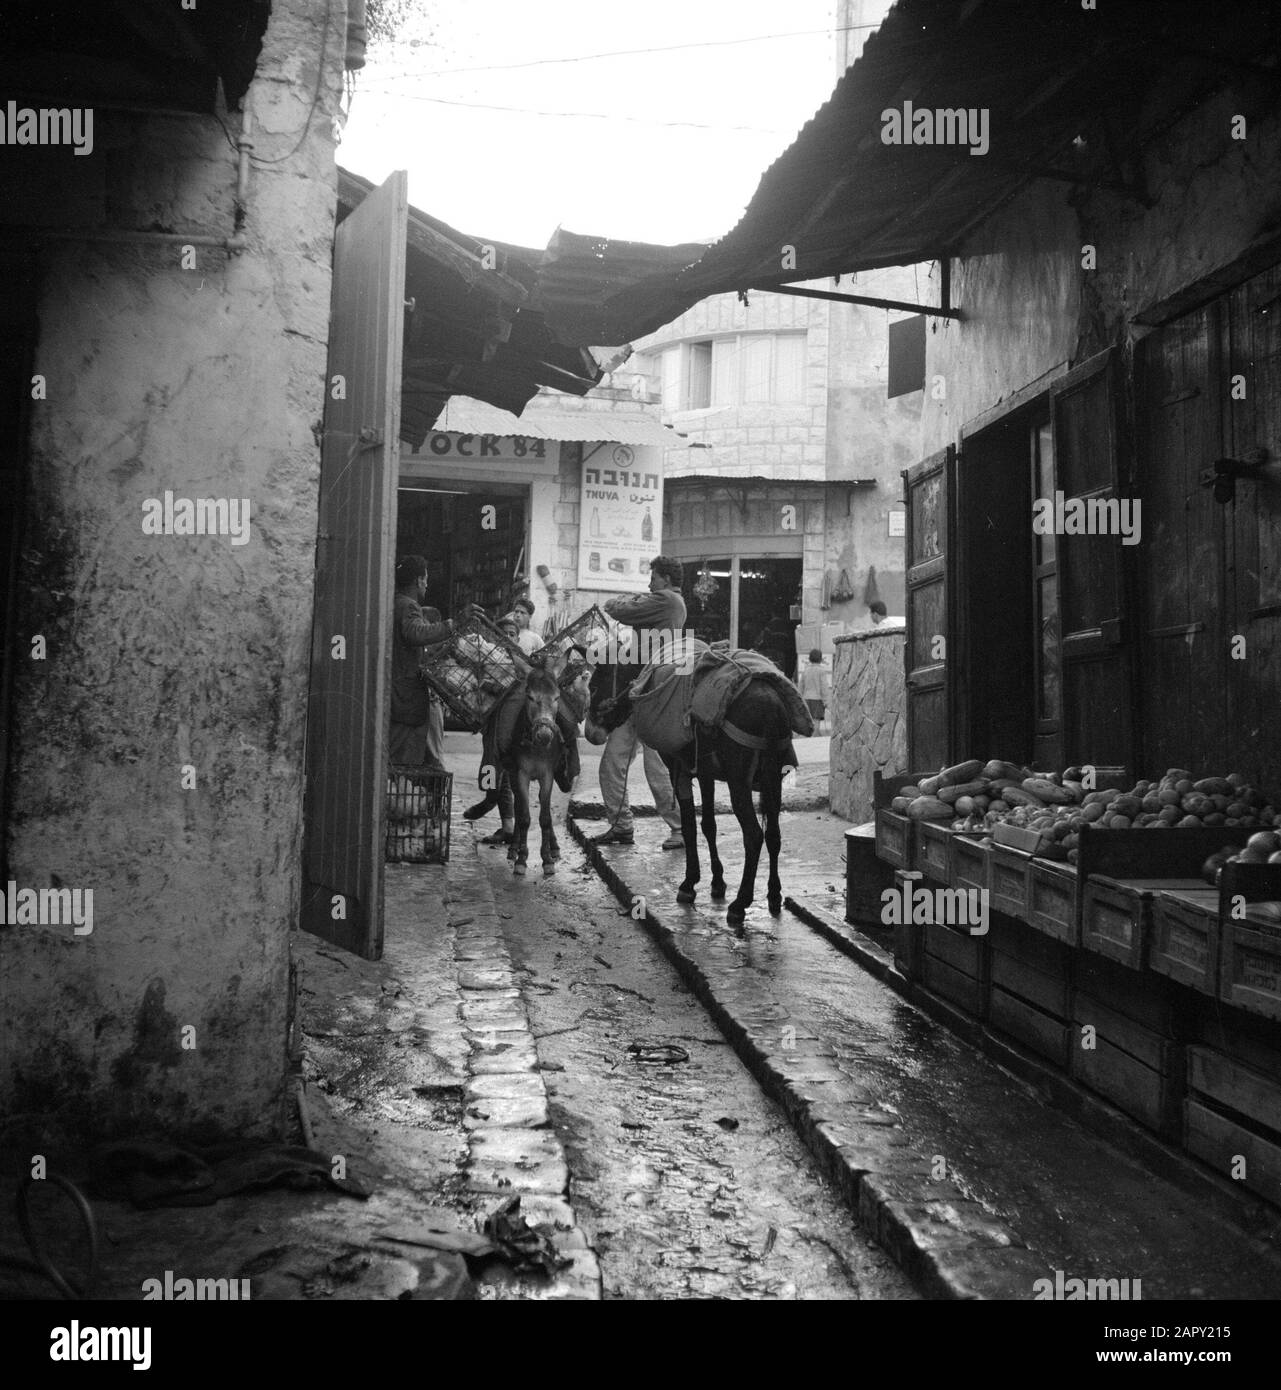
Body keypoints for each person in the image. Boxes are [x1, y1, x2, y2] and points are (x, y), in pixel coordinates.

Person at [594, 556, 687, 850]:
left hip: (656, 695)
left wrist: (618, 601)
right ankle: (621, 827)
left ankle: (681, 829)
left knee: (657, 766)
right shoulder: (664, 603)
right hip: (639, 691)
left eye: (654, 577)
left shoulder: (668, 600)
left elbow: (619, 610)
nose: (650, 583)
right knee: (613, 762)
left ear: (667, 580)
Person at [390, 555, 481, 772]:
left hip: (398, 694)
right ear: (418, 580)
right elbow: (416, 633)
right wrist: (454, 623)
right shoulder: (408, 606)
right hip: (405, 697)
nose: (427, 584)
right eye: (426, 579)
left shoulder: (395, 602)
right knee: (402, 761)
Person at [798, 648, 832, 735]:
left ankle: (808, 739)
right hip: (817, 700)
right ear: (820, 659)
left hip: (806, 699)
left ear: (809, 658)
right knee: (816, 723)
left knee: (808, 721)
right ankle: (814, 739)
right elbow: (824, 687)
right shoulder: (821, 671)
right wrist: (827, 702)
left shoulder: (806, 670)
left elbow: (801, 686)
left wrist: (800, 699)